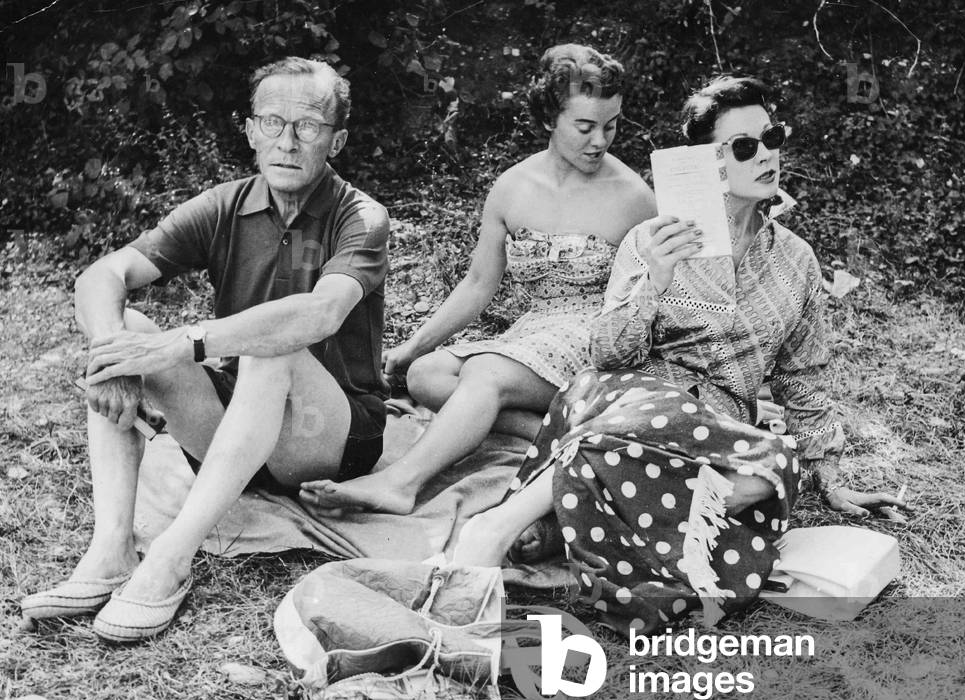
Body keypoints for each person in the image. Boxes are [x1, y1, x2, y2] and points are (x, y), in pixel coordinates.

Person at [452, 75, 910, 634]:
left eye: (773, 137)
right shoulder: (651, 240)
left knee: (777, 467)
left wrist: (830, 476)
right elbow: (607, 353)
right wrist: (654, 280)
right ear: (708, 163)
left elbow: (803, 375)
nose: (766, 155)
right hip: (628, 398)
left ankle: (573, 512)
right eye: (745, 147)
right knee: (658, 418)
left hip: (717, 430)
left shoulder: (797, 259)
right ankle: (500, 528)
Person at [20, 57, 390, 642]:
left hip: (330, 435)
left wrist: (184, 344)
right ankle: (112, 548)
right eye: (271, 122)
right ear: (249, 132)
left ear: (336, 140)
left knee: (275, 345)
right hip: (240, 431)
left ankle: (170, 559)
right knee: (127, 330)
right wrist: (113, 353)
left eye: (308, 127)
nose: (287, 141)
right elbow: (103, 273)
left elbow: (318, 314)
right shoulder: (224, 204)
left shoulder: (361, 216)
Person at [299, 44, 656, 516]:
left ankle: (400, 483)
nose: (600, 141)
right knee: (427, 375)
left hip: (596, 337)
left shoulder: (634, 197)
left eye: (610, 126)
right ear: (549, 119)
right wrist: (412, 349)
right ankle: (562, 432)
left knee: (483, 376)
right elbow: (478, 283)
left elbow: (655, 299)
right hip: (535, 332)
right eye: (585, 127)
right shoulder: (512, 186)